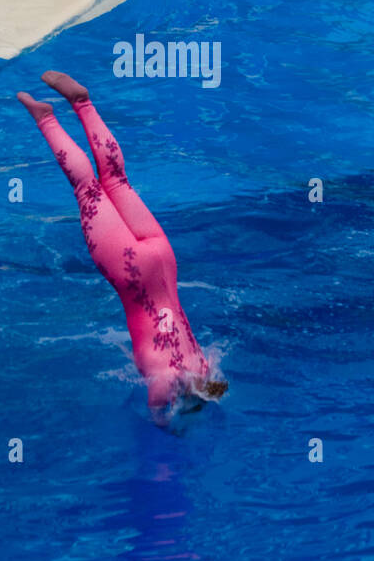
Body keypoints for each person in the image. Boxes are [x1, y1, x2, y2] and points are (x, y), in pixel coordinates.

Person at [17, 72, 228, 413]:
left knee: (116, 181)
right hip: (133, 273)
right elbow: (158, 413)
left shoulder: (202, 366)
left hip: (163, 258)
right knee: (87, 189)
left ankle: (82, 103)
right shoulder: (163, 381)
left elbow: (216, 369)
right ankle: (45, 118)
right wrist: (167, 430)